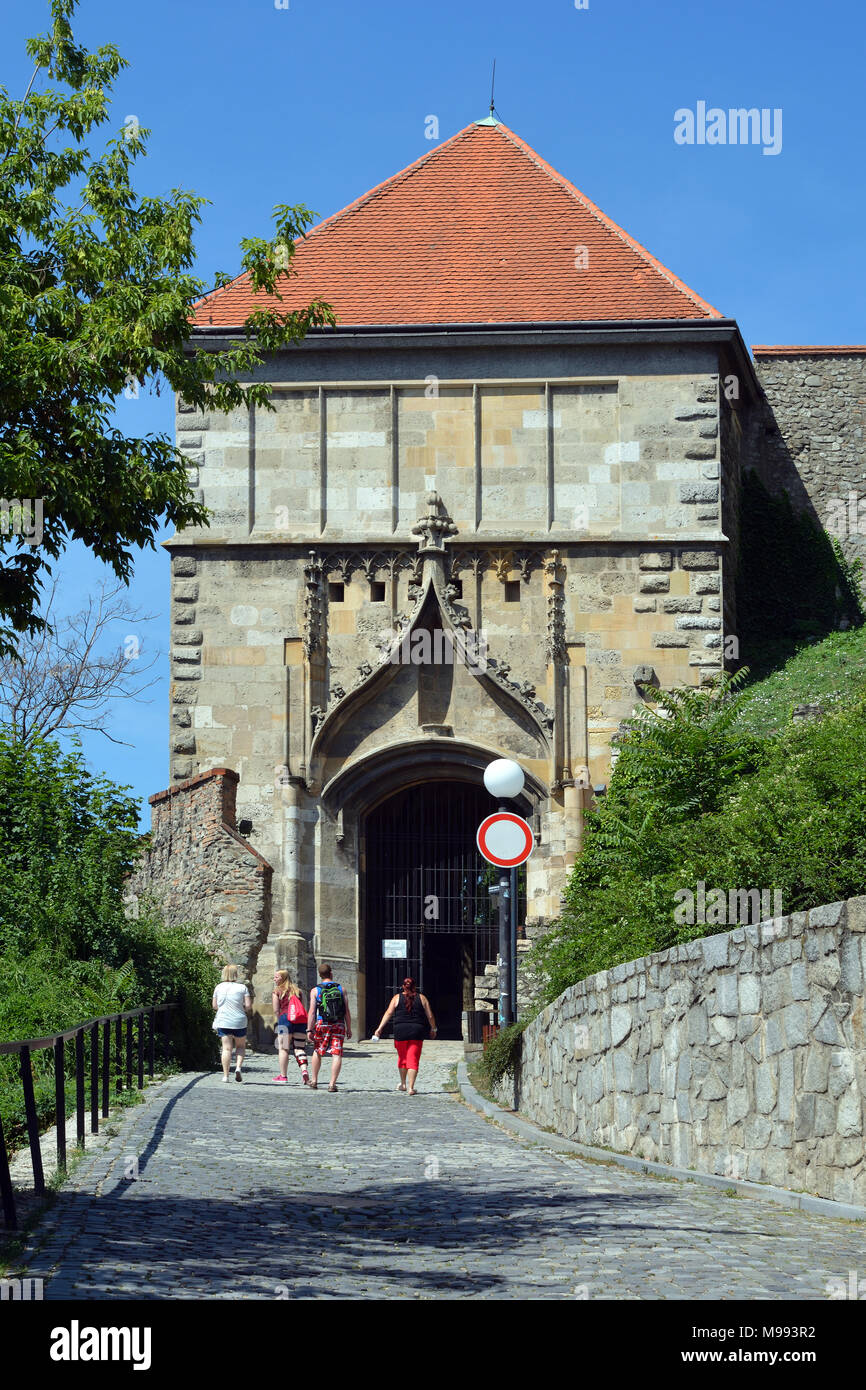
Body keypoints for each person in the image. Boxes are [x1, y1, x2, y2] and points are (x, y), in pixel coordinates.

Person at [373, 977, 437, 1095]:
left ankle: (403, 1084)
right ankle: (411, 1088)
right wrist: (433, 1029)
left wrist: (379, 1028)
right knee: (413, 1059)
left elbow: (388, 1013)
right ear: (415, 987)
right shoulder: (422, 998)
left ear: (403, 986)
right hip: (416, 1031)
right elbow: (430, 1016)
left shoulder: (396, 998)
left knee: (402, 1058)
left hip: (400, 1031)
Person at [307, 963, 351, 1092]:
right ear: (331, 973)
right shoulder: (341, 989)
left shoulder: (315, 990)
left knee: (318, 1051)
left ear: (320, 975)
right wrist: (349, 1028)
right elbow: (346, 1010)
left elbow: (312, 1011)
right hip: (338, 1024)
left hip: (322, 1024)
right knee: (336, 1053)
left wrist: (309, 1029)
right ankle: (332, 1084)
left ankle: (314, 1081)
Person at [212, 964, 252, 1082]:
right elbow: (248, 1006)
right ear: (236, 974)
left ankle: (225, 1075)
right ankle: (238, 1067)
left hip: (224, 1020)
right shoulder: (242, 988)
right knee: (240, 1046)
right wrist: (241, 1009)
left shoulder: (218, 987)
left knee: (226, 1048)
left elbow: (214, 1006)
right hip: (239, 1020)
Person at [272, 969, 310, 1085]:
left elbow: (275, 1010)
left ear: (283, 978)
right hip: (300, 1021)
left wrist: (280, 1021)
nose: (274, 979)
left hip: (285, 1020)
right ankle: (304, 1071)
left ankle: (283, 1076)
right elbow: (303, 1008)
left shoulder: (277, 991)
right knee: (299, 1048)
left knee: (283, 1048)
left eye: (276, 977)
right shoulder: (299, 991)